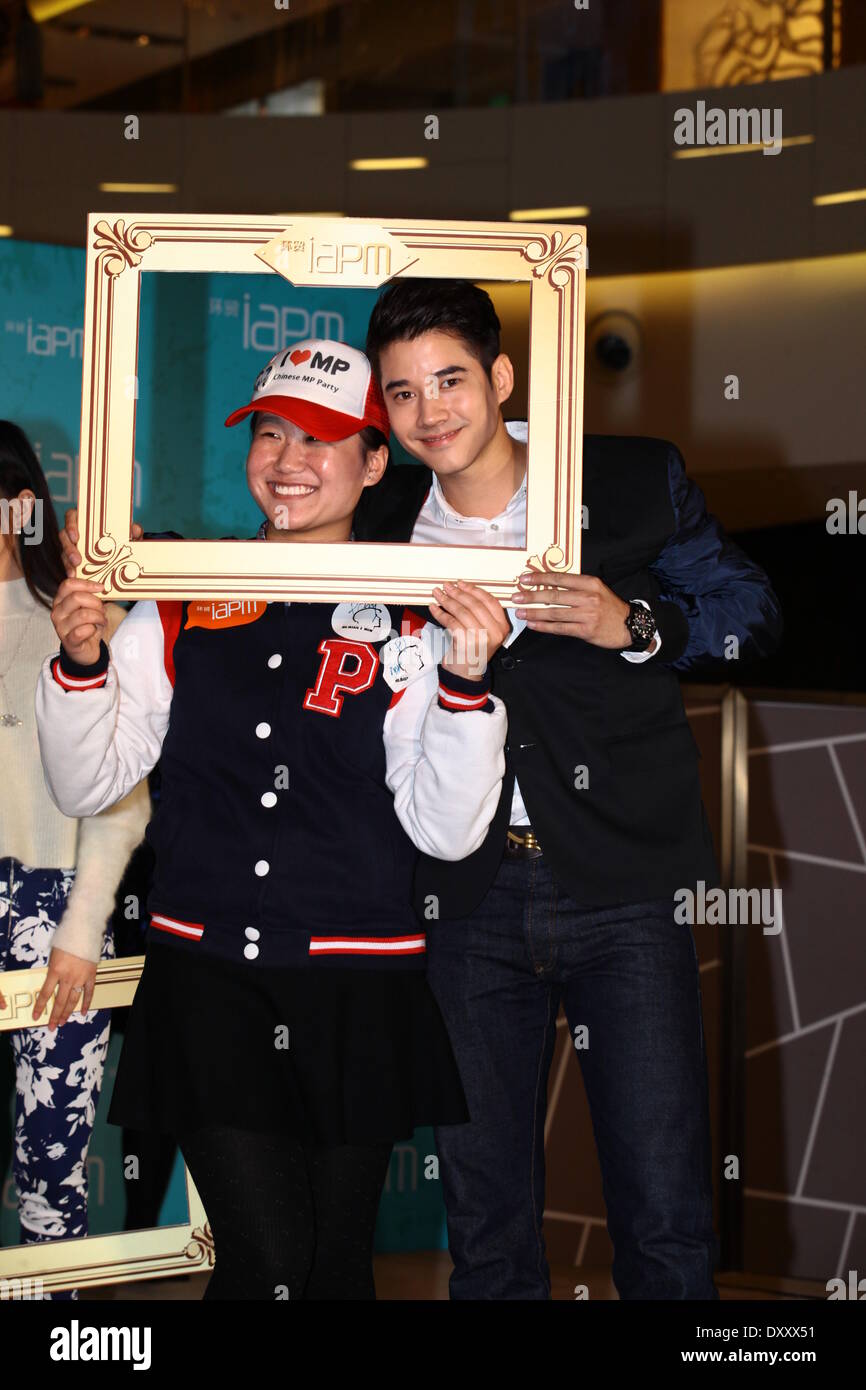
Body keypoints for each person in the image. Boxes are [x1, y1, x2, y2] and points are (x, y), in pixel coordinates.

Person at [35, 339, 509, 1301]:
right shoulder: (177, 598)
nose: (288, 459)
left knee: (332, 1271)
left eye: (323, 439)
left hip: (356, 986)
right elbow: (89, 784)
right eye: (270, 433)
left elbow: (447, 832)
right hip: (208, 980)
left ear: (376, 461)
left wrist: (464, 686)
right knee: (269, 1259)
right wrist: (82, 662)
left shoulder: (417, 611)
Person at [355, 280, 784, 1300]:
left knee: (664, 1211)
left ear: (501, 377)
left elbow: (751, 610)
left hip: (620, 884)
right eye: (402, 393)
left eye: (450, 379)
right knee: (485, 1220)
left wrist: (630, 624)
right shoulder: (376, 515)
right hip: (460, 893)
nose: (430, 412)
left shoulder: (626, 480)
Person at [0, 421, 150, 1297]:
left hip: (55, 906)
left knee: (53, 1167)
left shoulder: (92, 621)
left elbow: (123, 807)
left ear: (23, 497)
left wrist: (81, 926)